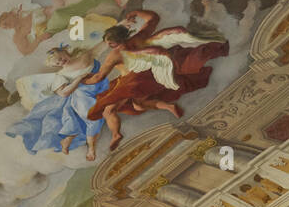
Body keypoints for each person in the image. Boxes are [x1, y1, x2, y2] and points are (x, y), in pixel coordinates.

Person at [82, 17, 228, 151]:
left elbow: (99, 77)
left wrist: (83, 80)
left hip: (129, 82)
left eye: (109, 43)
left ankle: (116, 134)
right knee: (138, 104)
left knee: (108, 109)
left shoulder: (114, 54)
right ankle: (168, 106)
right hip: (145, 75)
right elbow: (152, 20)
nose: (108, 46)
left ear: (114, 42)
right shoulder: (137, 38)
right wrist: (136, 14)